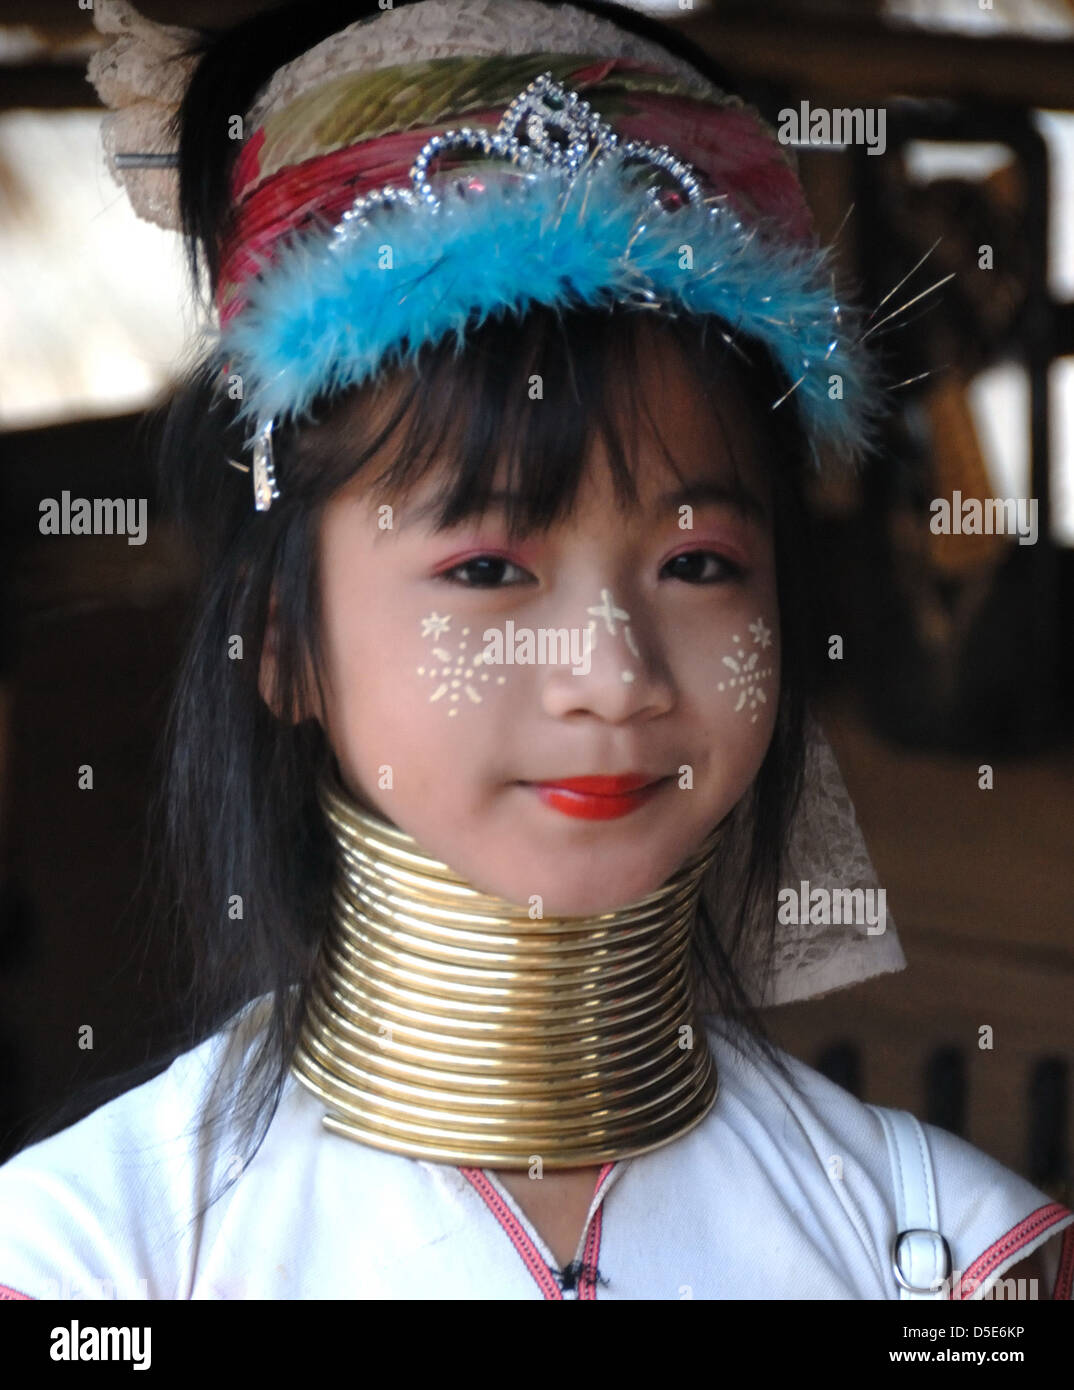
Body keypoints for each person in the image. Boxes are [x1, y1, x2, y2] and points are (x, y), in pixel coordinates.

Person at [1, 0, 1069, 1301]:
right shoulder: (88, 1263)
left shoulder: (959, 1264)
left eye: (696, 565)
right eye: (489, 568)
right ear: (281, 637)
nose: (613, 674)